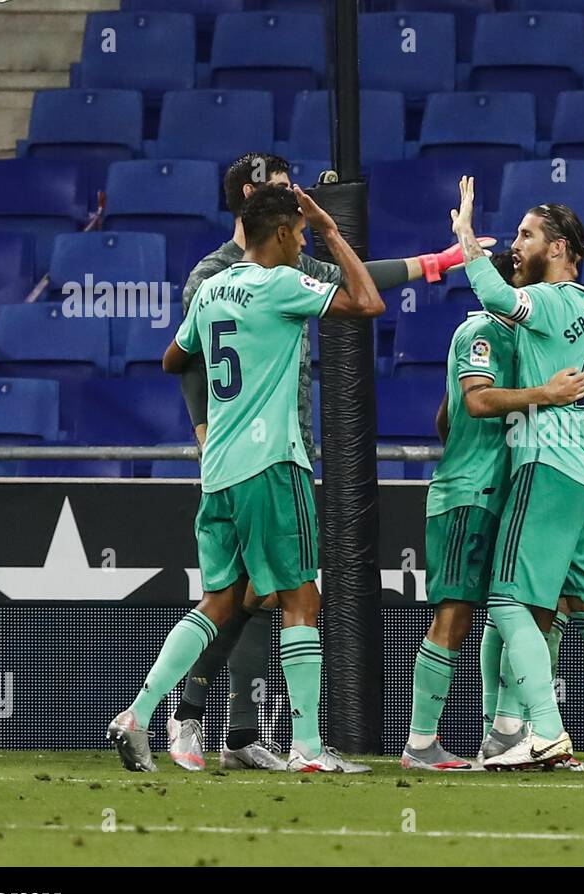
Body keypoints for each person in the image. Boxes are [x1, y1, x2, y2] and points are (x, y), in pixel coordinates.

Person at [166, 152, 488, 772]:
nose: (304, 206)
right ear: (257, 201)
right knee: (248, 594)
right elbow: (188, 364)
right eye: (290, 195)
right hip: (240, 453)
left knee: (260, 596)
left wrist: (440, 262)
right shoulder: (218, 272)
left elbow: (360, 277)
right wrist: (204, 431)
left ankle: (237, 733)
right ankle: (189, 718)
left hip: (285, 446)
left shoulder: (287, 261)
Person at [107, 186, 384, 773]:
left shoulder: (209, 291)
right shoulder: (282, 285)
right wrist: (335, 232)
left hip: (220, 469)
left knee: (218, 601)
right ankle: (308, 747)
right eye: (301, 233)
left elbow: (171, 358)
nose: (305, 240)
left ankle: (137, 714)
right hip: (271, 464)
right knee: (300, 597)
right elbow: (367, 302)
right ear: (282, 233)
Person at [450, 177, 584, 771]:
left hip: (548, 469)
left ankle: (547, 733)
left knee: (507, 599)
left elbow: (496, 297)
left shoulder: (554, 300)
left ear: (557, 248)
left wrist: (465, 239)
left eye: (526, 235)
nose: (516, 245)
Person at [403, 251, 584, 770]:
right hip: (469, 495)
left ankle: (504, 733)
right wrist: (544, 397)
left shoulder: (522, 339)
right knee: (456, 615)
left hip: (504, 494)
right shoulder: (482, 332)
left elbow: (444, 414)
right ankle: (420, 744)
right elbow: (472, 403)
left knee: (519, 610)